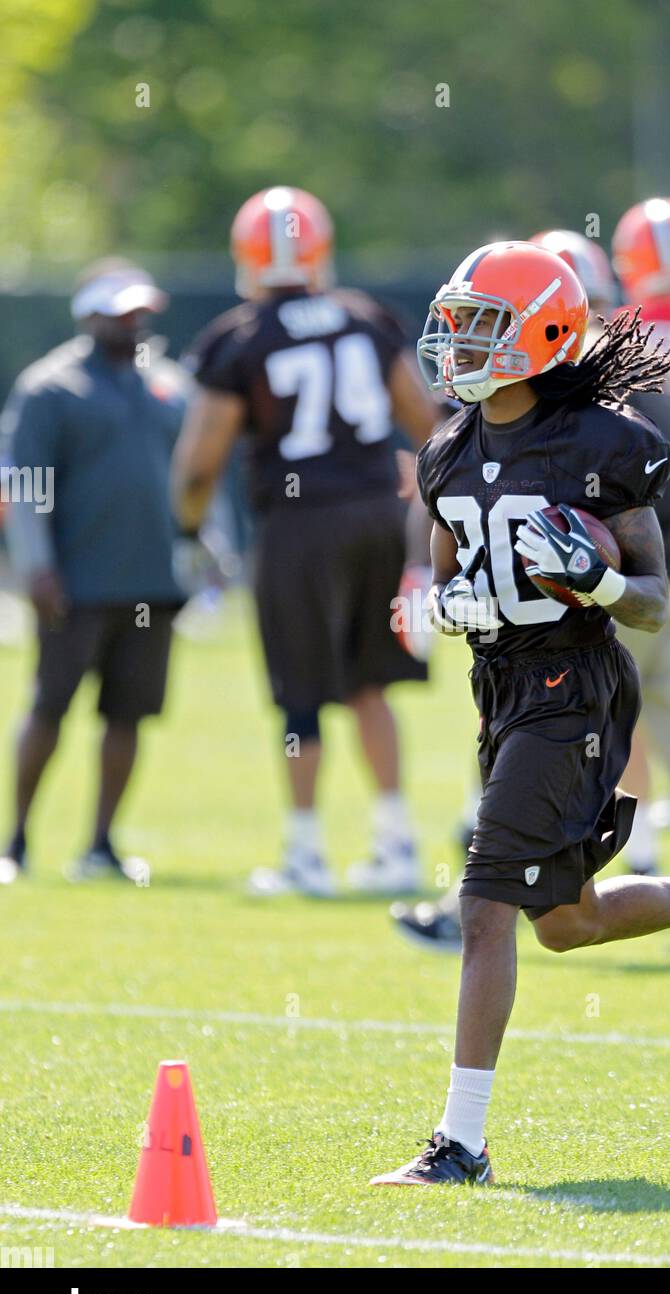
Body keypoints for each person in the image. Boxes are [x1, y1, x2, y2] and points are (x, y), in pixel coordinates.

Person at [370, 240, 670, 1186]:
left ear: (543, 333)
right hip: (499, 691)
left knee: (482, 908)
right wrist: (444, 605)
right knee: (565, 922)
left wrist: (594, 578)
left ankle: (460, 1143)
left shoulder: (603, 441)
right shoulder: (449, 450)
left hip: (575, 690)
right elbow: (446, 576)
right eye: (455, 321)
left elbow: (653, 600)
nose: (457, 342)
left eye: (482, 325)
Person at [392, 231, 670, 959]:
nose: (467, 339)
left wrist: (613, 573)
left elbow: (652, 486)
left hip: (606, 595)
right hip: (666, 576)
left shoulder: (598, 406)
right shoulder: (641, 372)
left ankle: (479, 894)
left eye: (489, 319)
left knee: (545, 736)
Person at [172, 186, 443, 897]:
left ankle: (304, 853)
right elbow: (426, 422)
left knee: (299, 696)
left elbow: (201, 460)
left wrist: (189, 530)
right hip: (377, 515)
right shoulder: (366, 316)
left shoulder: (239, 336)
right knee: (369, 684)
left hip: (298, 527)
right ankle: (396, 845)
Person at [0, 259, 186, 885]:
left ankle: (101, 845)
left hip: (151, 583)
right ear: (90, 314)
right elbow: (25, 483)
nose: (134, 322)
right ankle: (17, 841)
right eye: (121, 311)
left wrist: (203, 555)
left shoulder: (166, 384)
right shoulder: (50, 387)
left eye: (140, 311)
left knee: (127, 715)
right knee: (50, 707)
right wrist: (36, 565)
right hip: (76, 583)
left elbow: (190, 477)